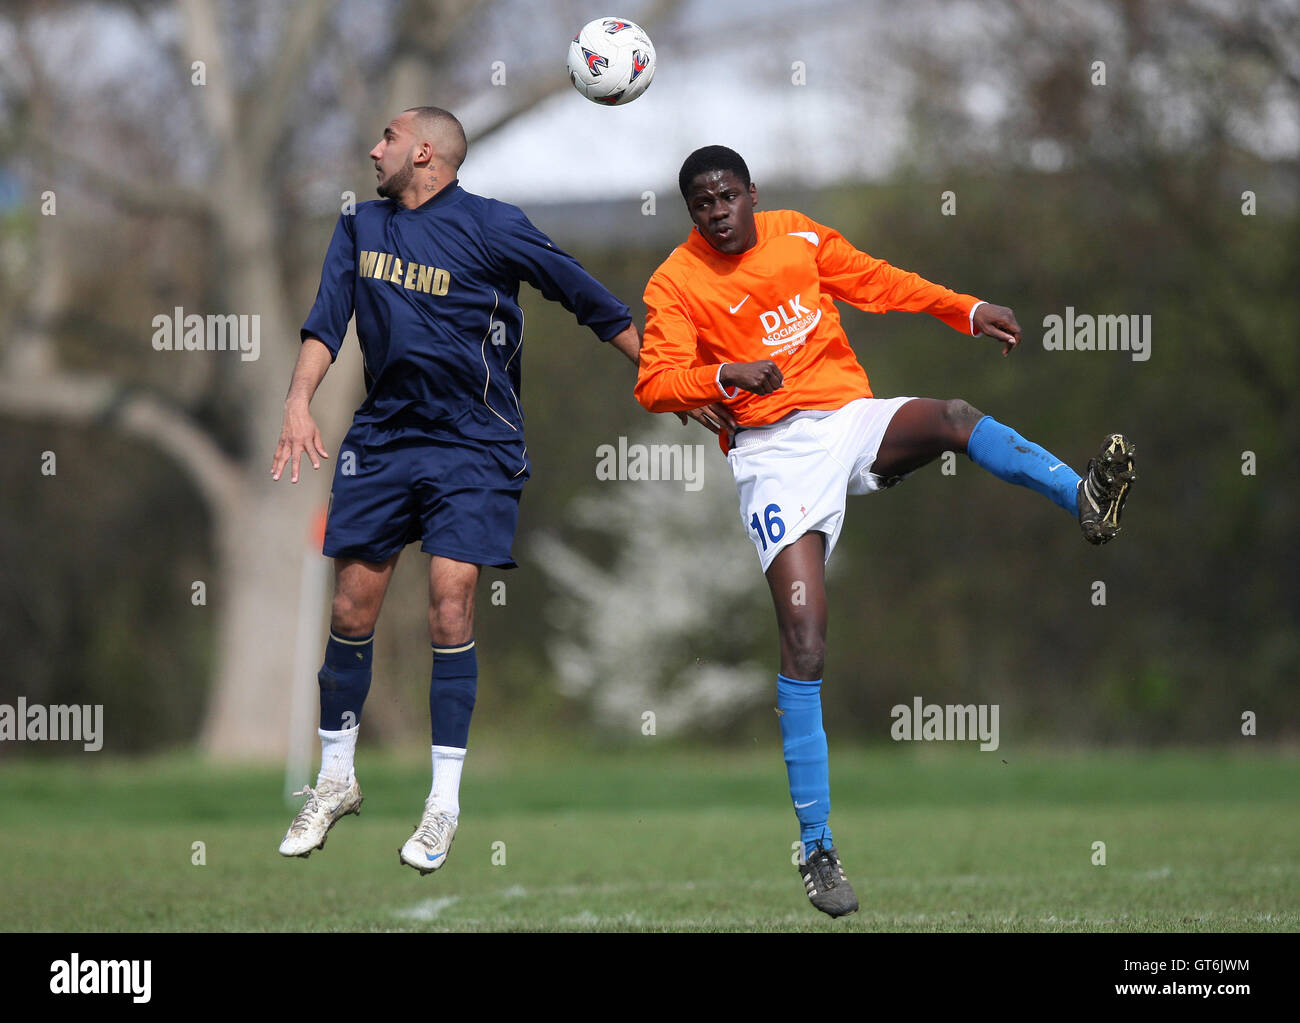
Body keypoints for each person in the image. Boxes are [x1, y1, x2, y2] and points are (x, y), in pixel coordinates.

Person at [634, 145, 1136, 918]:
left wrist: (965, 309)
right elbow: (655, 380)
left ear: (751, 193)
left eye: (727, 196)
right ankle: (818, 845)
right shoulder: (675, 282)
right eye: (702, 204)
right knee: (804, 639)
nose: (717, 212)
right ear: (690, 212)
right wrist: (725, 376)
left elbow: (877, 281)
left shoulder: (796, 236)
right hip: (773, 460)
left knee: (955, 418)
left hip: (846, 420)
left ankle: (1084, 499)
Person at [271, 106, 644, 875]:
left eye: (387, 137)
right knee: (349, 608)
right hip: (383, 440)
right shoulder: (359, 227)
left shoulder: (491, 225)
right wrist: (298, 399)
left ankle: (443, 801)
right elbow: (324, 324)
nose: (373, 148)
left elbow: (587, 296)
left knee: (450, 601)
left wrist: (659, 371)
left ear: (426, 152)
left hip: (475, 443)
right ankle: (335, 778)